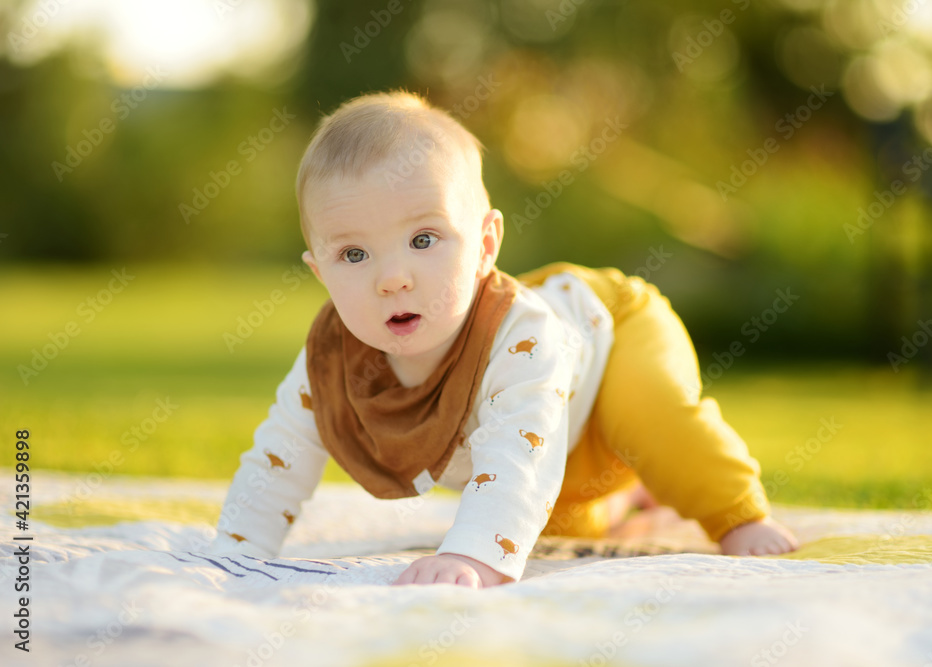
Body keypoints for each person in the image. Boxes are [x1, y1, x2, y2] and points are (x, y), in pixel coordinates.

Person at [210, 90, 798, 587]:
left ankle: (736, 513)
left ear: (486, 245)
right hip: (557, 439)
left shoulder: (520, 336)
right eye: (354, 254)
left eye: (423, 240)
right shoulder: (333, 360)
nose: (392, 279)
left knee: (654, 419)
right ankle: (626, 499)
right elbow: (277, 458)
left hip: (611, 332)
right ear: (321, 272)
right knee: (559, 521)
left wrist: (472, 555)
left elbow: (517, 453)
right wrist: (237, 554)